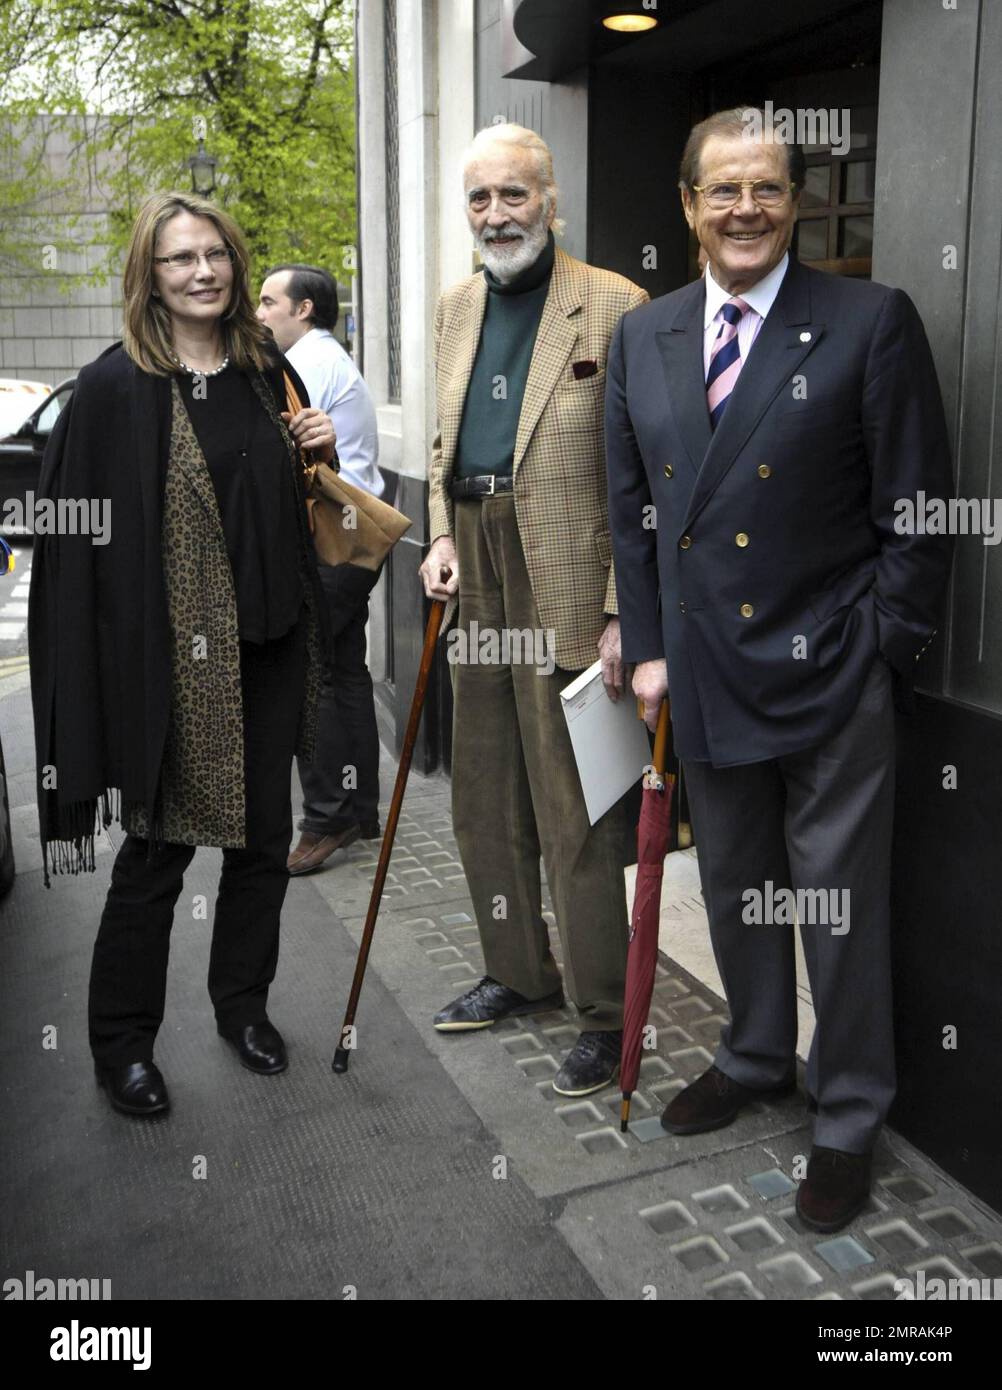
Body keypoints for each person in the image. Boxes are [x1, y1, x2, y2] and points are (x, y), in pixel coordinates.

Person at [605, 107, 954, 1230]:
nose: (744, 209)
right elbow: (635, 514)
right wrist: (649, 646)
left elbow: (918, 512)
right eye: (723, 190)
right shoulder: (644, 335)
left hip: (831, 677)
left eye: (766, 188)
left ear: (795, 200)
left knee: (838, 909)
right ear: (690, 206)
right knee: (734, 887)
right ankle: (755, 1054)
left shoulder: (868, 321)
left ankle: (847, 1112)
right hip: (704, 673)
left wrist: (881, 654)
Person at [29, 191, 335, 1118]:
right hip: (172, 662)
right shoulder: (115, 388)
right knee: (157, 854)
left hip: (271, 643)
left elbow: (304, 494)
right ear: (149, 277)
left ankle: (242, 1008)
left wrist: (313, 445)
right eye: (178, 260)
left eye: (216, 255)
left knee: (261, 846)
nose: (203, 272)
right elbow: (74, 560)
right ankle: (122, 1045)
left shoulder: (263, 367)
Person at [418, 124, 648, 1098]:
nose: (496, 214)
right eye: (479, 199)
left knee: (577, 809)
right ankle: (518, 971)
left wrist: (618, 607)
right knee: (482, 791)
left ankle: (602, 1014)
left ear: (551, 197)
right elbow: (443, 440)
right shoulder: (456, 305)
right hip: (473, 563)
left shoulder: (617, 305)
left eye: (514, 195)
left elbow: (643, 477)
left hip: (568, 574)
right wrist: (436, 535)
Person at [256, 263, 384, 874]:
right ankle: (358, 810)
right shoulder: (327, 357)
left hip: (332, 538)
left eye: (267, 302)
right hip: (354, 539)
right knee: (344, 673)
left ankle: (325, 818)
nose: (258, 315)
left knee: (313, 679)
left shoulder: (304, 366)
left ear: (303, 309)